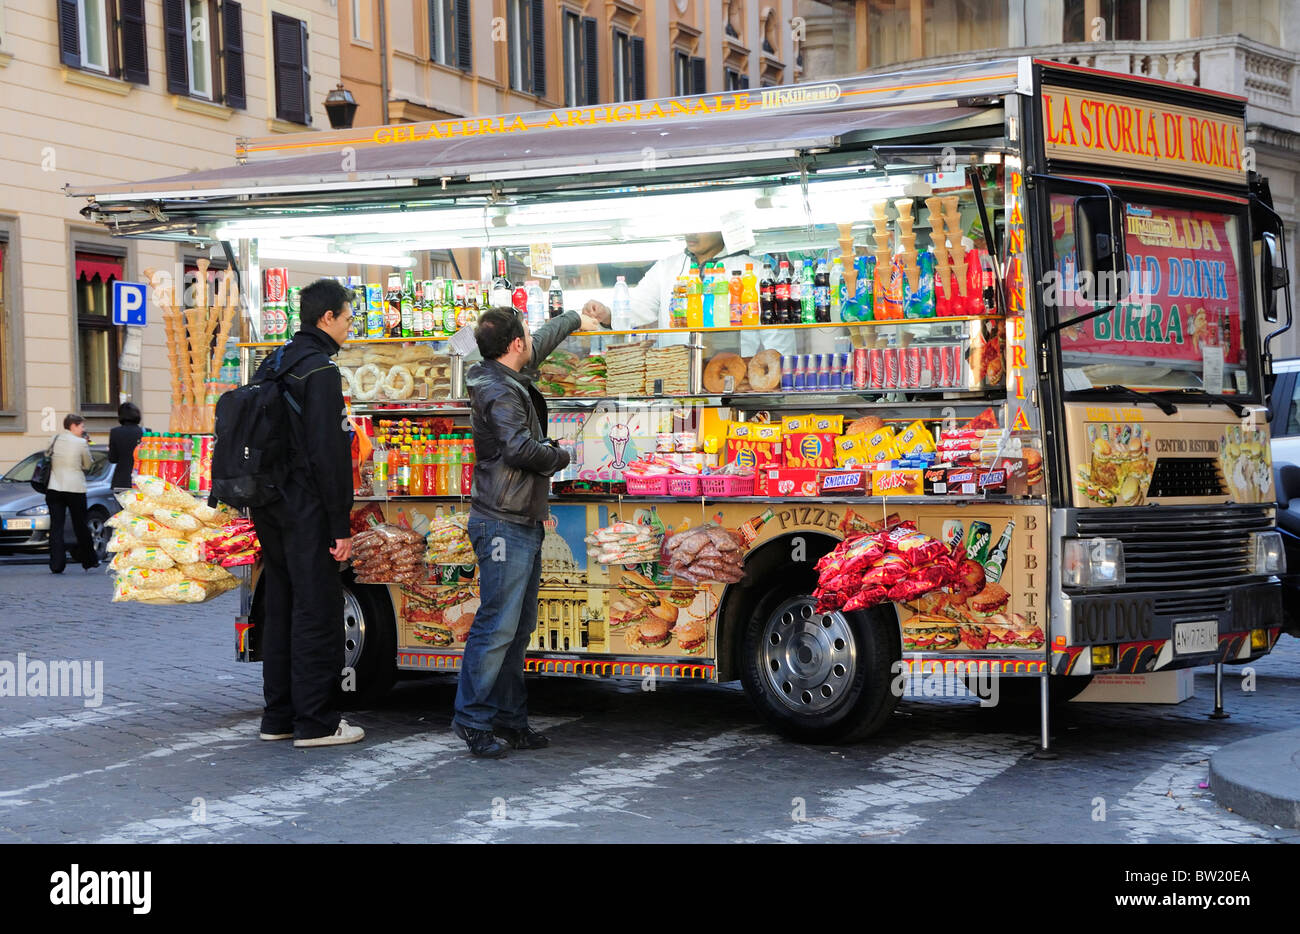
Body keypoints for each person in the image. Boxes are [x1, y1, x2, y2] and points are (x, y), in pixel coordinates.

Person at [453, 304, 599, 758]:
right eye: (528, 337)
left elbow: (544, 340)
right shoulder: (498, 389)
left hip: (520, 517)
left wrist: (575, 318)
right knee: (496, 626)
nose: (533, 342)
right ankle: (473, 721)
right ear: (516, 344)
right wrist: (559, 455)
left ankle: (510, 720)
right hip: (502, 520)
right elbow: (518, 448)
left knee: (517, 629)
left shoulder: (506, 373)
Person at [248, 278, 363, 749]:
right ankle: (316, 722)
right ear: (326, 319)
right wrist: (340, 524)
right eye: (348, 318)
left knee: (279, 607)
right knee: (317, 611)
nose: (350, 326)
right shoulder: (320, 372)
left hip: (268, 504)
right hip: (306, 509)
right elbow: (328, 456)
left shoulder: (271, 364)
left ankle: (278, 717)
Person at [581, 231, 796, 356]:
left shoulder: (755, 271)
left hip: (737, 385)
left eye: (700, 226)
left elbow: (777, 337)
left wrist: (774, 383)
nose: (691, 233)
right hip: (677, 384)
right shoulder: (667, 268)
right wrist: (606, 314)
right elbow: (636, 310)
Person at [46, 413, 98, 574]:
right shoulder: (81, 442)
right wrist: (86, 445)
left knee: (56, 527)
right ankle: (89, 560)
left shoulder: (54, 438)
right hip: (75, 488)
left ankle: (56, 564)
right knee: (80, 525)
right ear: (73, 426)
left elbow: (47, 455)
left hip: (54, 487)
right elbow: (88, 464)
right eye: (82, 426)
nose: (84, 429)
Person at [108, 402, 144, 492]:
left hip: (121, 480)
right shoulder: (145, 432)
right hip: (142, 480)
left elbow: (113, 459)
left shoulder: (115, 432)